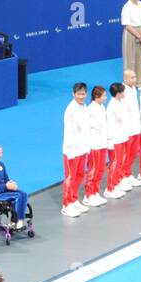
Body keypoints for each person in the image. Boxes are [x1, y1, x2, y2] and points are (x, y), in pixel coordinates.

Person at [62, 81, 90, 217]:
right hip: (71, 151)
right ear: (73, 94)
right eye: (78, 94)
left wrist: (86, 146)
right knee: (70, 178)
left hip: (82, 148)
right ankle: (66, 205)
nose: (81, 96)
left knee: (79, 175)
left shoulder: (84, 107)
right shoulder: (70, 110)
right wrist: (70, 151)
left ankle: (74, 199)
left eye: (83, 94)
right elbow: (69, 132)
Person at [120, 0, 141, 79]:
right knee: (130, 59)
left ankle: (140, 81)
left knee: (140, 58)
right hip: (131, 33)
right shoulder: (126, 7)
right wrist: (138, 35)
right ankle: (128, 82)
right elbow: (127, 25)